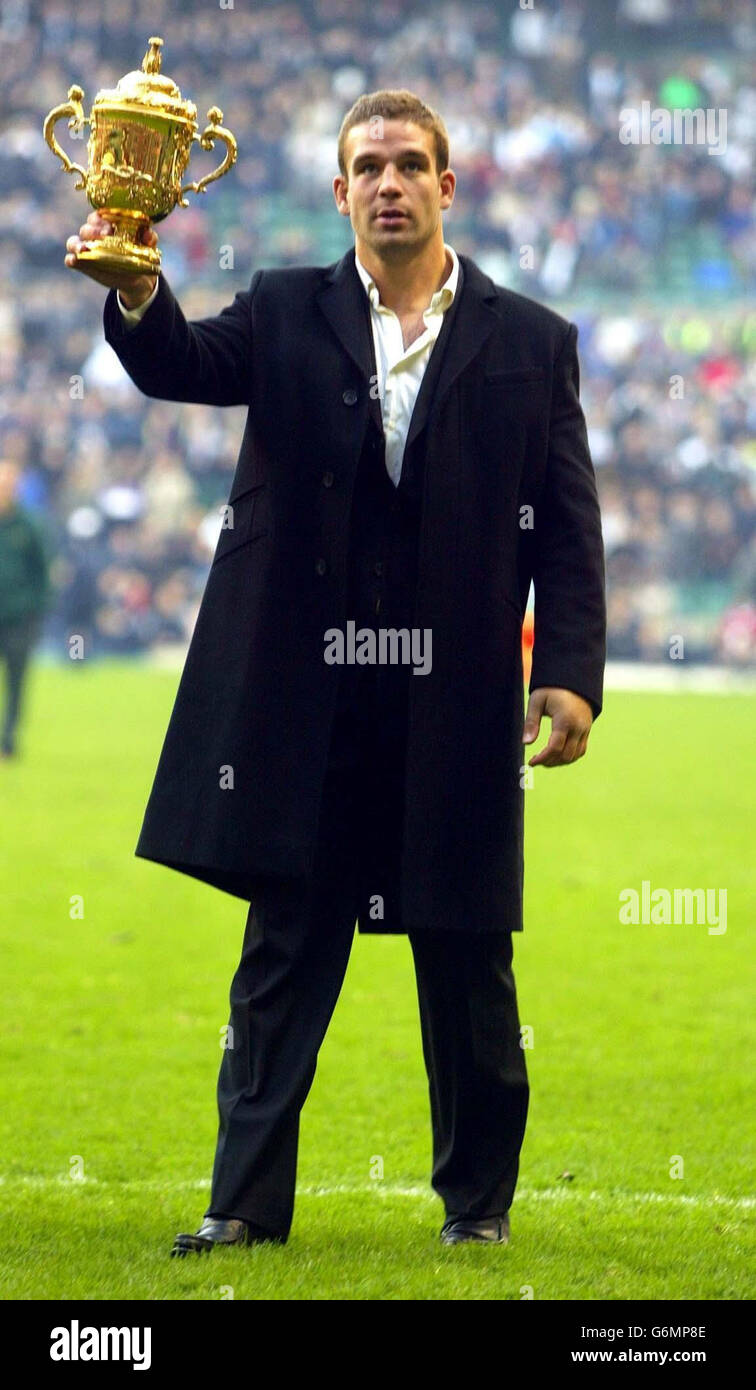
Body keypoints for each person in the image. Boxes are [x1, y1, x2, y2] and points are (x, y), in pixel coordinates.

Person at [65, 89, 606, 1254]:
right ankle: (243, 1206)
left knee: (468, 957)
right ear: (341, 191)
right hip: (307, 699)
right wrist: (135, 284)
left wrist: (567, 669)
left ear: (448, 186)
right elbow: (179, 366)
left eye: (412, 164)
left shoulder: (532, 340)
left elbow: (566, 525)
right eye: (368, 167)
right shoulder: (279, 311)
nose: (390, 184)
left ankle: (478, 1211)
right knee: (282, 955)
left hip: (454, 699)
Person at [0, 459, 51, 758]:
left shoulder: (29, 526)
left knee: (16, 680)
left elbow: (43, 573)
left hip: (19, 618)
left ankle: (9, 738)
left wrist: (35, 611)